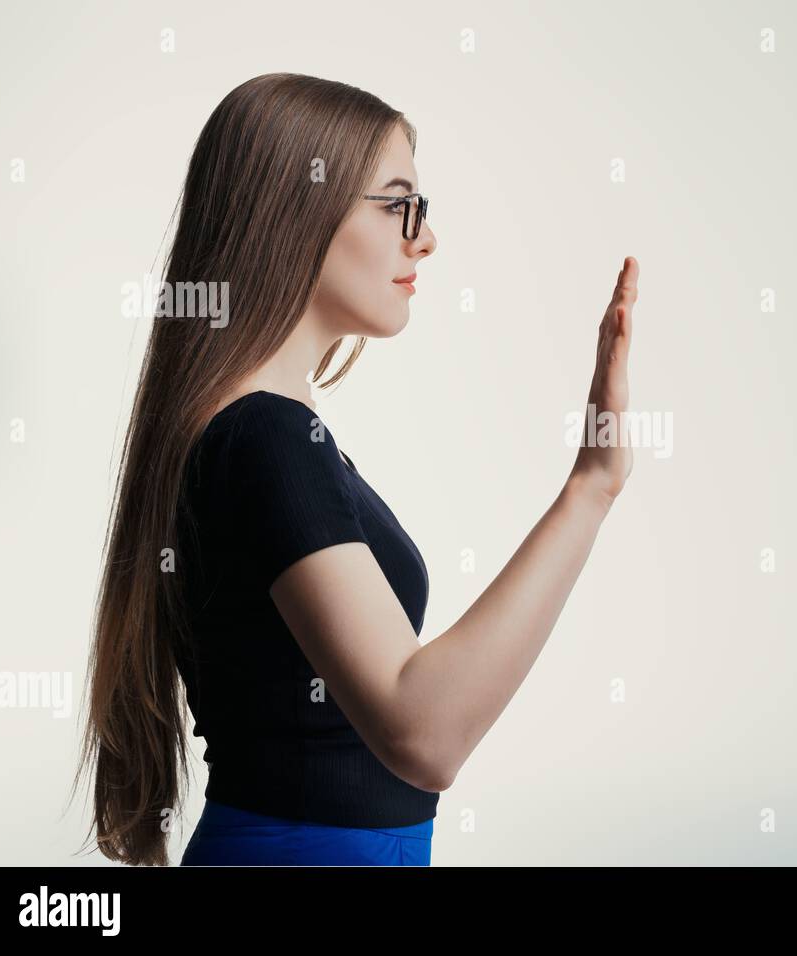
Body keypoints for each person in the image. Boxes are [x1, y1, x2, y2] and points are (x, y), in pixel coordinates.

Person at [73, 72, 639, 866]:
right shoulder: (263, 437)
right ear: (296, 210)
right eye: (397, 202)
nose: (425, 238)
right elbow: (425, 732)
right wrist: (592, 487)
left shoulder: (268, 434)